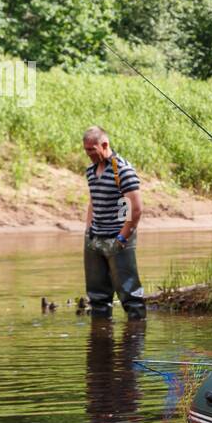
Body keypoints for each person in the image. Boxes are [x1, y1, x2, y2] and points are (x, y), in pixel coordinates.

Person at [82, 126, 145, 320]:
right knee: (97, 298)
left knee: (130, 295)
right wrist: (88, 231)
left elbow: (134, 209)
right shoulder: (91, 171)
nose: (89, 154)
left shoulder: (122, 170)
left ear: (104, 145)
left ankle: (134, 340)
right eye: (86, 151)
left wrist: (121, 237)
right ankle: (100, 336)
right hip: (94, 239)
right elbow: (93, 201)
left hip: (118, 239)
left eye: (92, 150)